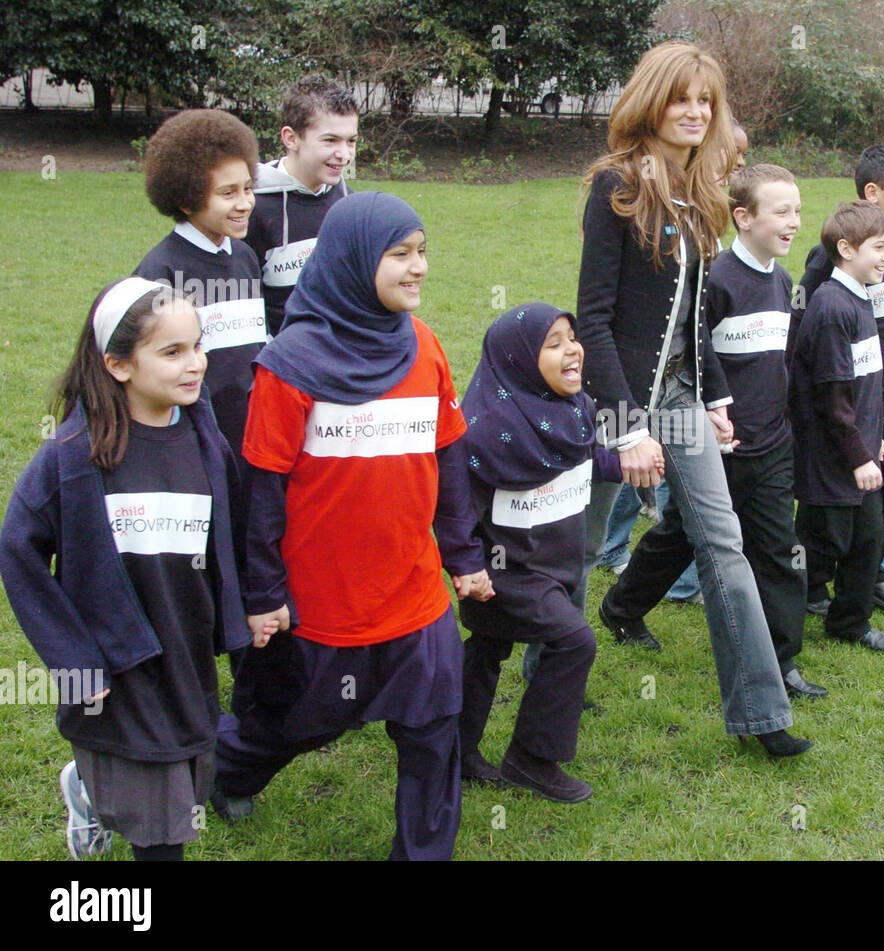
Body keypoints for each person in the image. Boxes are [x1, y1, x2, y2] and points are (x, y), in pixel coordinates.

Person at [211, 192, 487, 860]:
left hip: (414, 596)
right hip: (326, 604)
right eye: (400, 254)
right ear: (354, 260)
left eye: (422, 251)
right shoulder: (290, 364)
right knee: (302, 724)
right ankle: (221, 768)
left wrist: (464, 554)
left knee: (433, 727)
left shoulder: (425, 347)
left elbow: (448, 459)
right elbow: (262, 495)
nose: (418, 267)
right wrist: (264, 592)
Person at [576, 41, 808, 756]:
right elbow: (593, 318)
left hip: (681, 395)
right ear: (653, 100)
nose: (695, 112)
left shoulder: (702, 190)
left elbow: (695, 313)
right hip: (616, 395)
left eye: (706, 101)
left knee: (723, 540)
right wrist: (625, 429)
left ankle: (762, 717)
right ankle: (552, 668)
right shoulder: (616, 185)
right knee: (576, 548)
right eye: (682, 98)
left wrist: (713, 397)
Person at [0, 278, 252, 860]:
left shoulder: (207, 444)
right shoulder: (72, 458)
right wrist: (75, 660)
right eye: (172, 352)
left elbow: (233, 538)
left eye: (198, 346)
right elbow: (18, 549)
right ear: (117, 364)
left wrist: (249, 611)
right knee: (163, 832)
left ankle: (91, 795)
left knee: (187, 778)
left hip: (187, 659)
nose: (196, 365)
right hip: (118, 669)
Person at [455, 304, 632, 803]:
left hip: (554, 562)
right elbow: (455, 508)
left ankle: (455, 748)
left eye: (572, 338)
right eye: (552, 343)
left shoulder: (573, 408)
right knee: (575, 641)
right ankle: (532, 760)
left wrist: (619, 465)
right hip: (504, 571)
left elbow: (577, 460)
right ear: (516, 360)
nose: (572, 349)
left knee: (489, 646)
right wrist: (467, 565)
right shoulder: (487, 430)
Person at [702, 162, 827, 696]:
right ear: (743, 217)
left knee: (778, 548)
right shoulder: (714, 281)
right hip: (721, 448)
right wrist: (713, 412)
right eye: (782, 211)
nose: (794, 221)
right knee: (683, 540)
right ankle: (623, 606)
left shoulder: (782, 280)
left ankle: (782, 659)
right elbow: (694, 357)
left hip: (773, 445)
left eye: (797, 210)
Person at [795, 143, 884, 616]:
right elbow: (804, 317)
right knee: (830, 497)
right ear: (874, 194)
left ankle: (863, 565)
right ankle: (819, 578)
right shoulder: (834, 269)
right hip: (846, 393)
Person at [134, 109, 267, 468]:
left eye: (248, 188)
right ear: (187, 198)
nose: (244, 203)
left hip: (251, 437)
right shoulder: (159, 273)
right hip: (196, 446)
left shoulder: (245, 257)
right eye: (228, 193)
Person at [790, 202, 884, 650]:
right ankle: (783, 616)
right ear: (846, 248)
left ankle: (848, 621)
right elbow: (831, 398)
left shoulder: (859, 295)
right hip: (834, 460)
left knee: (867, 540)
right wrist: (858, 456)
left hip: (859, 452)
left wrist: (877, 438)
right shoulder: (834, 308)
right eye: (878, 247)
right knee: (821, 544)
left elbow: (861, 387)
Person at [245, 74, 358, 336]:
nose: (344, 155)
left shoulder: (348, 201)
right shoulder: (250, 206)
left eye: (351, 141)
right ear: (291, 138)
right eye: (330, 140)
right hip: (282, 365)